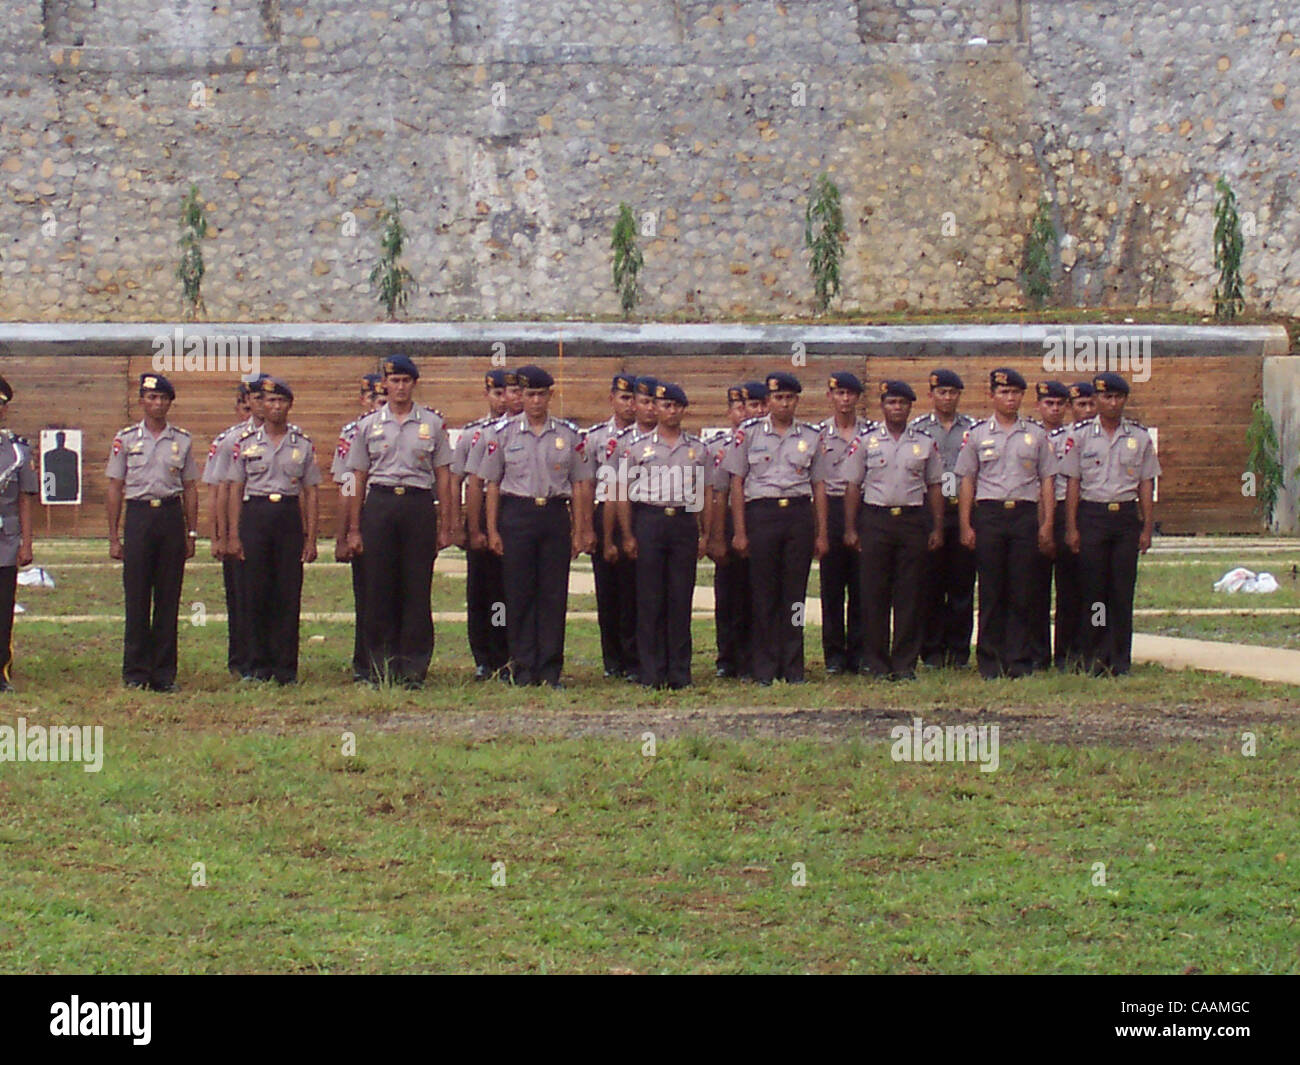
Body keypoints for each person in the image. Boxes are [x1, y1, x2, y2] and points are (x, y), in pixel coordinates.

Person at [479, 364, 595, 687]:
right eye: (529, 394)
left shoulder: (568, 435)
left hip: (554, 515)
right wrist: (492, 530)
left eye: (541, 395)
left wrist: (581, 529)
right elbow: (492, 484)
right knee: (519, 594)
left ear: (550, 396)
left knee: (553, 595)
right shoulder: (502, 435)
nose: (535, 401)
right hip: (517, 514)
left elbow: (580, 485)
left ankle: (549, 668)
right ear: (521, 396)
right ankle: (522, 666)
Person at [345, 355, 455, 688]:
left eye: (406, 381)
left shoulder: (432, 424)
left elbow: (444, 476)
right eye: (394, 381)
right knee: (379, 589)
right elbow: (357, 477)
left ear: (414, 384)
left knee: (416, 588)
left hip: (417, 505)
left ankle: (413, 669)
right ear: (386, 385)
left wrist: (448, 523)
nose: (400, 387)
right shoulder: (367, 426)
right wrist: (353, 527)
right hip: (379, 505)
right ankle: (379, 667)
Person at [723, 371, 828, 685]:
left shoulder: (810, 436)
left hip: (797, 515)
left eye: (790, 398)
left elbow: (819, 486)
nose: (784, 403)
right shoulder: (749, 434)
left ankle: (793, 664)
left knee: (794, 595)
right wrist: (740, 532)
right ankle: (764, 666)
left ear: (797, 400)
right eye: (778, 398)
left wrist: (821, 532)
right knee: (764, 593)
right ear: (767, 402)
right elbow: (737, 483)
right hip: (762, 514)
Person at [955, 368, 1054, 679]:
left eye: (1015, 393)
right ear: (992, 396)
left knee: (1022, 590)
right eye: (1003, 392)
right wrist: (965, 524)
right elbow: (967, 480)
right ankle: (990, 661)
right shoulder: (978, 434)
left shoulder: (1036, 435)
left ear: (1022, 396)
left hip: (1024, 515)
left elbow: (1047, 481)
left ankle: (1019, 660)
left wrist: (1047, 523)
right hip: (990, 515)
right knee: (991, 591)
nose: (1010, 398)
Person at [843, 380, 944, 680]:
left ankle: (904, 664)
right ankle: (876, 662)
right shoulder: (865, 441)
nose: (897, 408)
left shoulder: (925, 443)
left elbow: (935, 486)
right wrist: (850, 528)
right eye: (891, 403)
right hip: (876, 520)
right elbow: (852, 486)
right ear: (882, 406)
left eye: (902, 403)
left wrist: (937, 527)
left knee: (909, 595)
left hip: (912, 520)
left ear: (911, 406)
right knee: (873, 594)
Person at [105, 373, 199, 691]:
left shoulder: (182, 440)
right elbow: (115, 486)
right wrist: (114, 536)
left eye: (163, 398)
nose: (157, 404)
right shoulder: (127, 438)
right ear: (142, 401)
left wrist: (192, 533)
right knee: (137, 596)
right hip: (139, 517)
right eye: (152, 398)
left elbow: (190, 488)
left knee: (168, 597)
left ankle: (163, 673)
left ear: (170, 402)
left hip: (171, 517)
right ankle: (135, 671)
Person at [1063, 372, 1161, 676]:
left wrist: (1146, 527)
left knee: (1121, 592)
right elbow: (1073, 485)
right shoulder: (1080, 436)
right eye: (1106, 397)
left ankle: (1120, 658)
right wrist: (1071, 527)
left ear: (1125, 400)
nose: (1112, 403)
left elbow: (1146, 484)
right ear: (1097, 400)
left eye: (1118, 397)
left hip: (1125, 519)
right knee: (1094, 592)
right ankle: (1095, 656)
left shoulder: (1138, 437)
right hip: (1092, 516)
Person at [226, 378, 320, 684]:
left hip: (288, 518)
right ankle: (256, 665)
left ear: (289, 405)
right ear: (261, 406)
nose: (276, 407)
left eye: (281, 402)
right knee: (255, 593)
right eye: (270, 402)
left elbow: (311, 492)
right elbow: (235, 489)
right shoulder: (245, 444)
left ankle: (285, 667)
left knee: (287, 593)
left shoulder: (302, 444)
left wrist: (311, 537)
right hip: (256, 515)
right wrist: (233, 535)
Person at [617, 382, 708, 689]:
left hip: (682, 523)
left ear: (684, 409)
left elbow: (701, 493)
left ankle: (679, 672)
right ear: (654, 409)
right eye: (665, 405)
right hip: (650, 520)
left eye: (676, 406)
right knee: (649, 599)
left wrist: (703, 533)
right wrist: (628, 534)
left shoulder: (697, 449)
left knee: (681, 597)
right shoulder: (637, 448)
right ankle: (651, 671)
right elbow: (623, 493)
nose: (671, 411)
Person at [912, 368, 978, 668]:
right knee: (931, 585)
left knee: (962, 586)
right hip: (931, 512)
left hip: (963, 512)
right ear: (931, 395)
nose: (947, 398)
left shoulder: (973, 429)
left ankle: (959, 651)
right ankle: (932, 650)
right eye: (942, 392)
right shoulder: (919, 429)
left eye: (952, 393)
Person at [451, 369, 515, 681]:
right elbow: (461, 480)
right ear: (487, 394)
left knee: (508, 592)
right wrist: (466, 526)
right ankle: (484, 656)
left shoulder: (517, 432)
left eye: (509, 393)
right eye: (497, 393)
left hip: (512, 517)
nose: (504, 399)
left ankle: (507, 654)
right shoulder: (474, 433)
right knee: (481, 591)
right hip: (479, 518)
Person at [814, 371, 877, 674]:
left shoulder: (871, 433)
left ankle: (861, 651)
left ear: (857, 398)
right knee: (832, 586)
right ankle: (834, 655)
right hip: (831, 507)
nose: (845, 400)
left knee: (864, 584)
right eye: (839, 394)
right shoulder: (817, 435)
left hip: (864, 508)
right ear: (830, 397)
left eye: (850, 394)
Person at [203, 377, 263, 679]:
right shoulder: (231, 440)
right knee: (241, 596)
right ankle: (242, 660)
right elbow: (219, 491)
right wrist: (220, 535)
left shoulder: (290, 437)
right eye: (255, 397)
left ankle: (272, 659)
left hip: (272, 524)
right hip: (240, 525)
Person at [332, 372, 385, 682]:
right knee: (368, 594)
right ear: (363, 400)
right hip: (365, 517)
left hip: (399, 514)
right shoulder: (354, 433)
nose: (381, 405)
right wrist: (344, 533)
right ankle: (365, 661)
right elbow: (347, 483)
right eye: (376, 400)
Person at [585, 374, 640, 680]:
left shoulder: (645, 435)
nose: (630, 405)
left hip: (634, 512)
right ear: (612, 399)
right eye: (624, 398)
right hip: (604, 511)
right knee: (607, 591)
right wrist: (586, 528)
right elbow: (587, 482)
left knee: (634, 590)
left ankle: (634, 657)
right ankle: (612, 659)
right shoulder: (595, 437)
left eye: (634, 398)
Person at [1031, 380, 1081, 671]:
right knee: (1034, 589)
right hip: (1032, 512)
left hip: (1065, 510)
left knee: (1070, 588)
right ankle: (1037, 654)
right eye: (1048, 403)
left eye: (1060, 404)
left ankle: (1067, 653)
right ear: (1038, 405)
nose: (1054, 409)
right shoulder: (1029, 434)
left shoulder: (1076, 437)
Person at [706, 384, 752, 678]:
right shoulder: (717, 447)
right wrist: (714, 537)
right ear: (729, 412)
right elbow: (713, 493)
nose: (747, 412)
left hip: (756, 520)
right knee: (727, 593)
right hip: (727, 521)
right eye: (739, 407)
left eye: (753, 405)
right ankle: (727, 656)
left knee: (754, 593)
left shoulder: (762, 441)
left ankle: (752, 654)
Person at [0, 376, 37, 692]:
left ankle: (1, 670)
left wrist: (27, 542)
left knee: (3, 607)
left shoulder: (17, 451)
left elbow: (25, 498)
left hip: (5, 540)